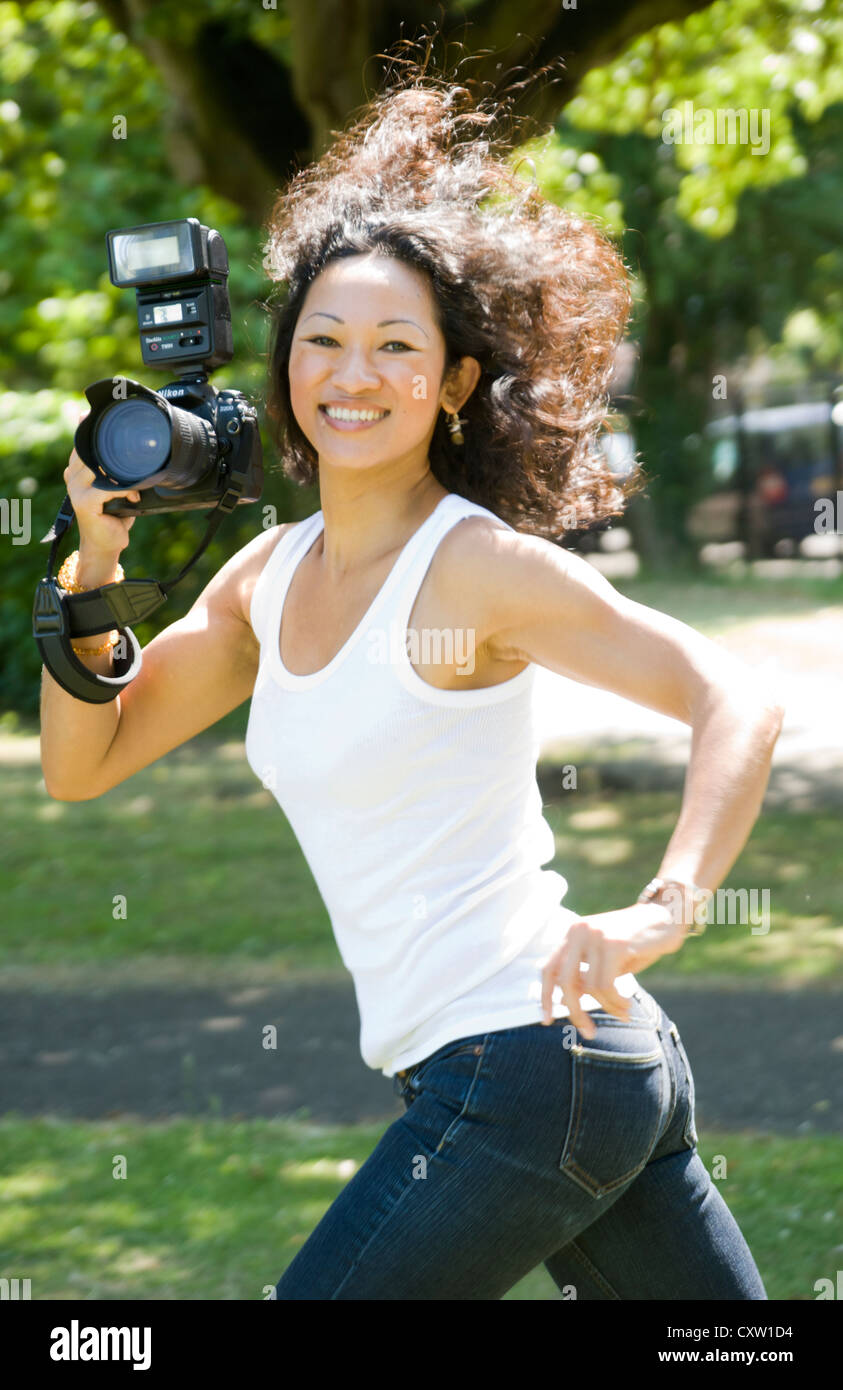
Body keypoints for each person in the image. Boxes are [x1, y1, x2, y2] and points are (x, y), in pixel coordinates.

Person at [40, 59, 783, 1301]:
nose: (353, 372)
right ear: (285, 371)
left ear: (451, 386)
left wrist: (666, 903)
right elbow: (83, 764)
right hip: (566, 1073)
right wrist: (92, 568)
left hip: (526, 1066)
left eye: (396, 346)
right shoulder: (263, 579)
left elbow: (735, 697)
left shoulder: (479, 569)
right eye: (322, 340)